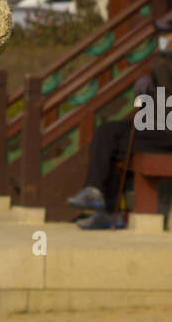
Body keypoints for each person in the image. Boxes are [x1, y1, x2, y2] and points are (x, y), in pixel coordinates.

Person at [67, 36, 172, 229]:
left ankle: (107, 210)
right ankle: (96, 195)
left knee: (115, 144)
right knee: (107, 133)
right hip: (155, 123)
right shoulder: (165, 55)